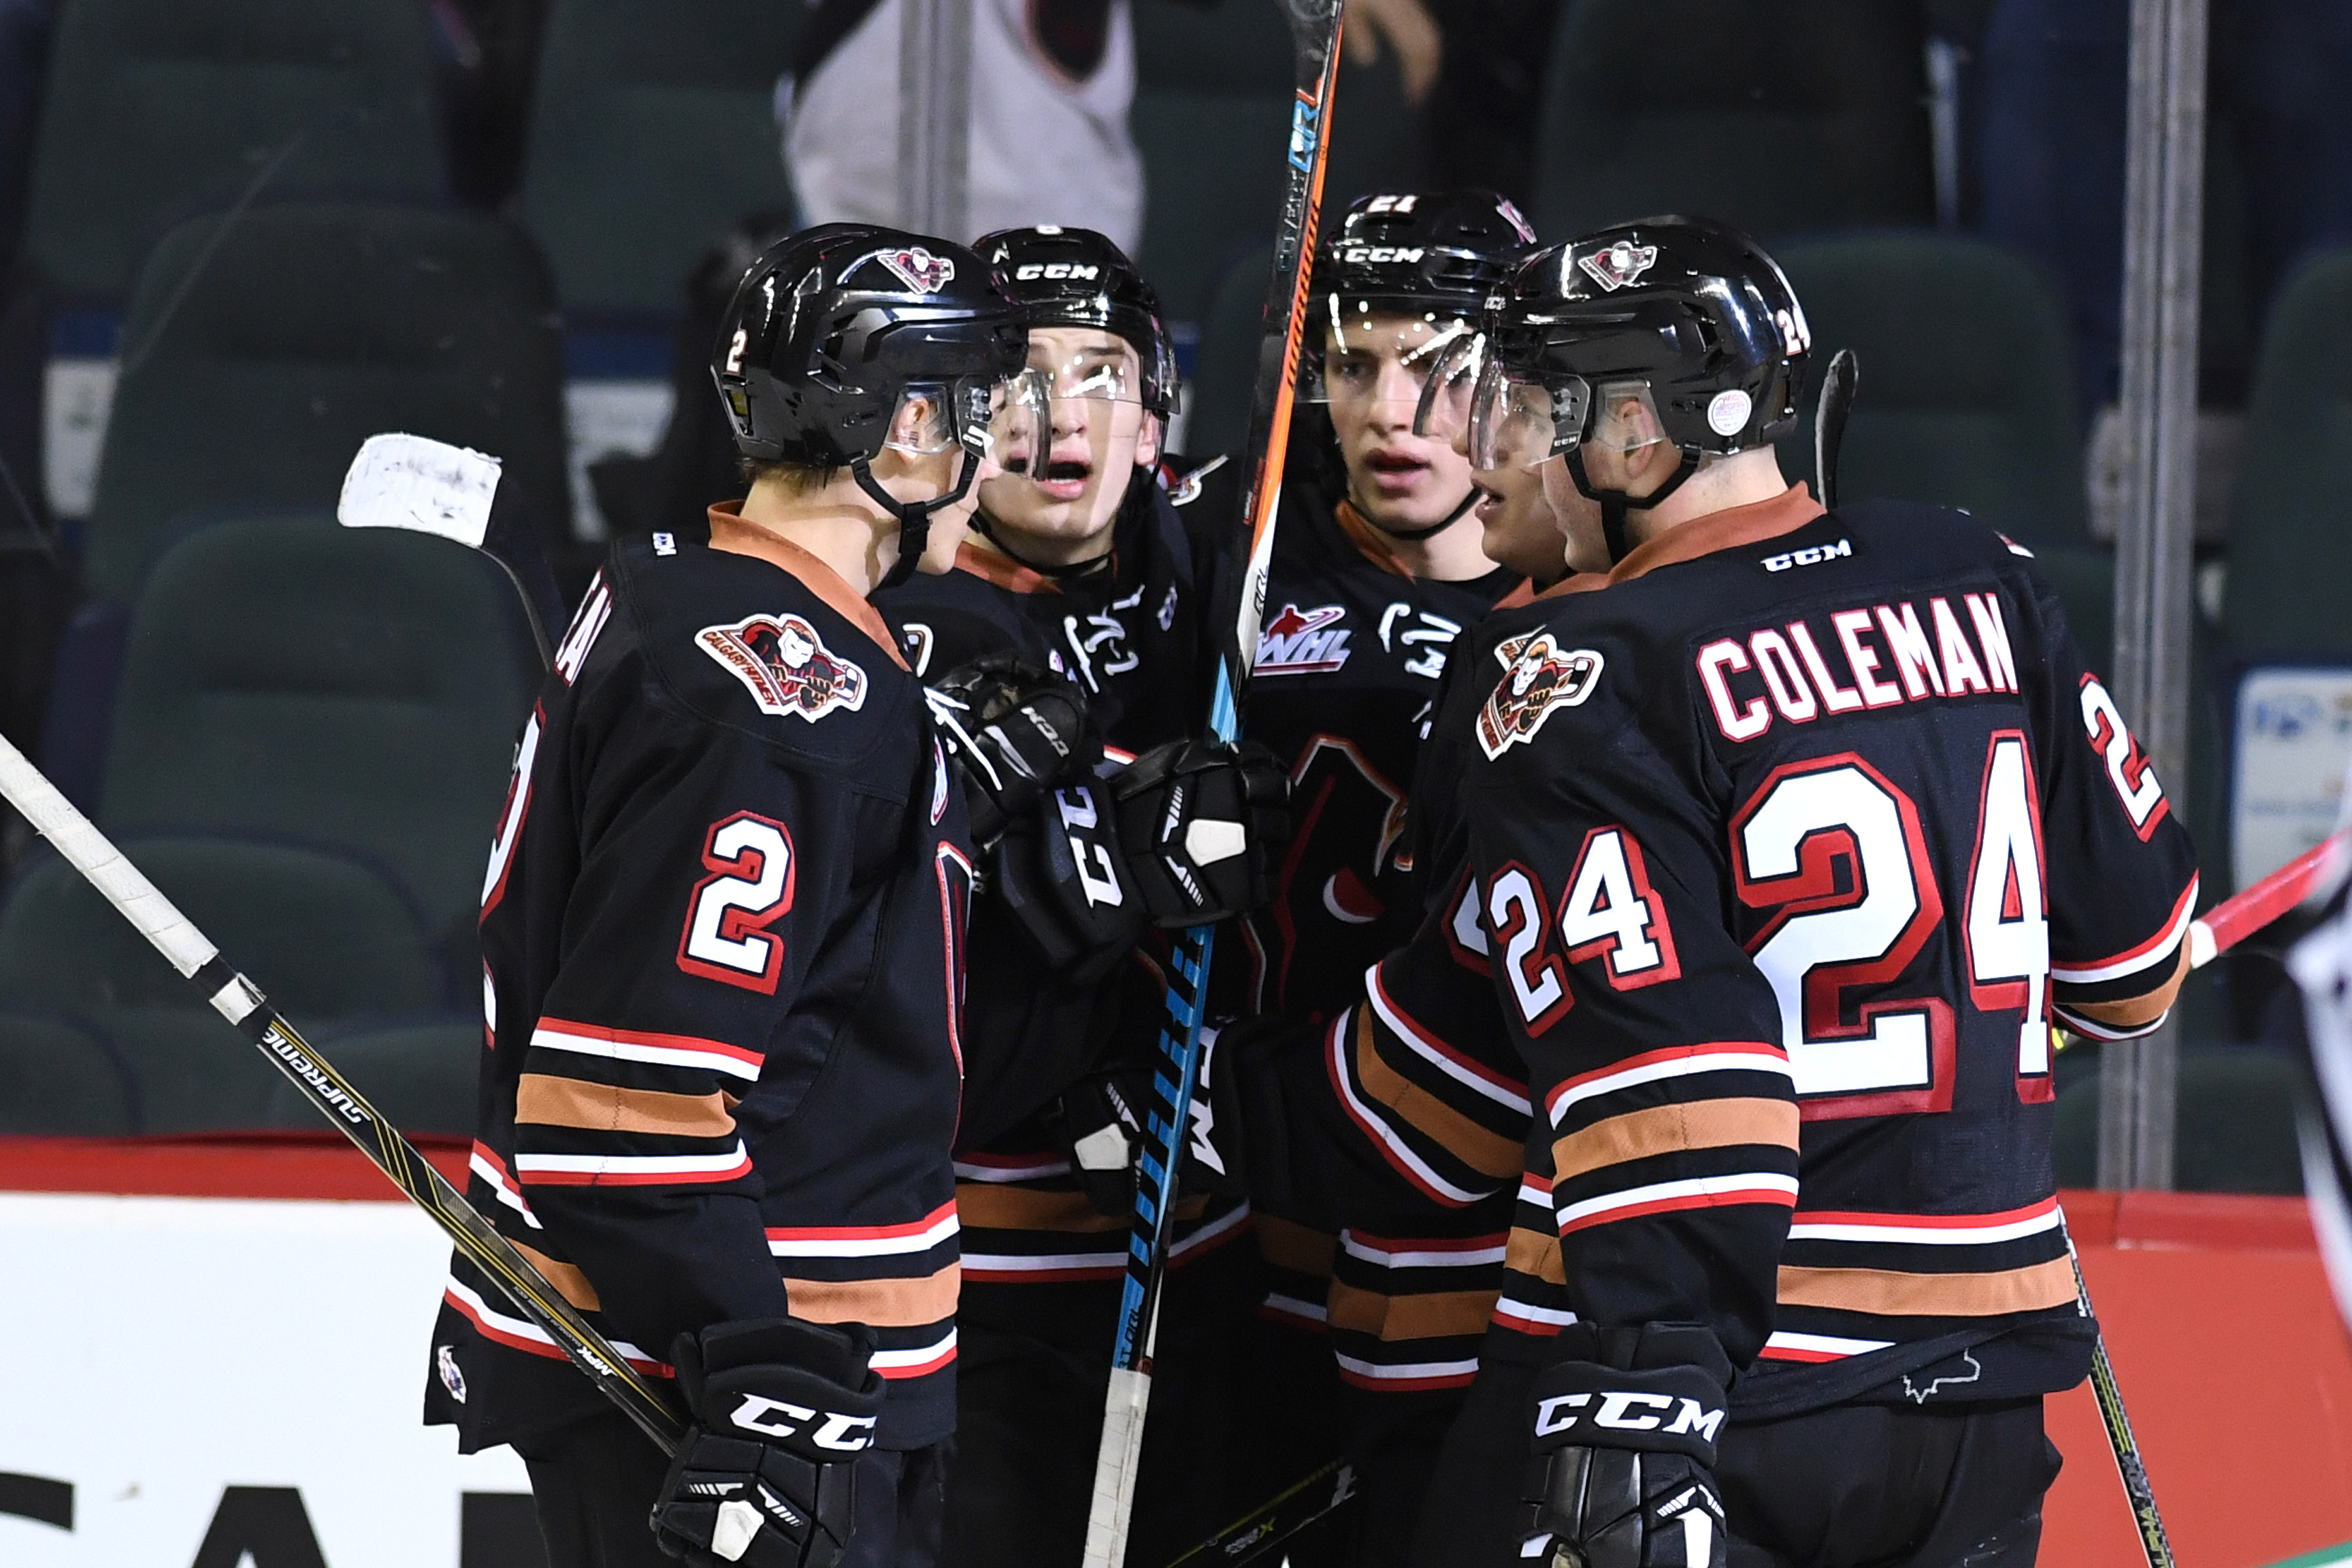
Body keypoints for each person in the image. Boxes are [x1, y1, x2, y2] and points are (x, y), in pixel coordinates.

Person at [1392, 216, 2201, 1568]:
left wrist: (1258, 1099)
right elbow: (2137, 974)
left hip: (1718, 1395)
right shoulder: (1985, 574)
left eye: (1526, 408)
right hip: (1985, 1391)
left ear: (1637, 440)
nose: (1485, 454)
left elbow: (1595, 1100)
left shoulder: (1567, 667)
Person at [420, 222, 1048, 1568]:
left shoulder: (682, 591)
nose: (995, 456)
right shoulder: (787, 705)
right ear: (907, 428)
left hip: (718, 1343)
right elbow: (623, 1110)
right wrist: (764, 1377)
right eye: (977, 412)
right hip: (731, 1375)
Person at [875, 223, 1287, 1565]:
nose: (1060, 416)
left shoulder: (1221, 564)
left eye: (1102, 371)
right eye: (1019, 375)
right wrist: (1111, 849)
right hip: (972, 1278)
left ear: (1159, 412)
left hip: (1204, 1264)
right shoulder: (895, 617)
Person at [1197, 186, 1541, 1558]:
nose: (1392, 414)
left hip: (1471, 1244)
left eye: (1438, 373)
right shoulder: (1230, 546)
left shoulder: (1588, 606)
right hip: (1235, 1223)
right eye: (1353, 365)